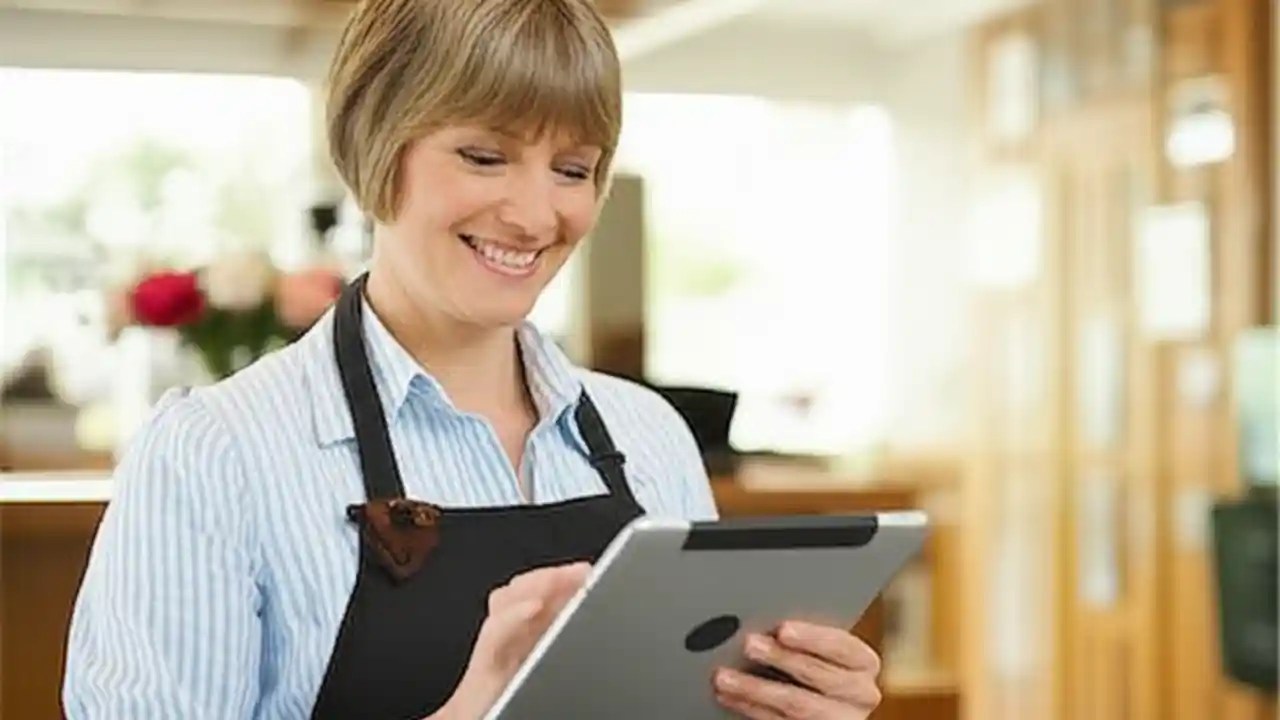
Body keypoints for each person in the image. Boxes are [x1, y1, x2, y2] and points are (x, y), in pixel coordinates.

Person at [61, 0, 883, 717]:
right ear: (377, 146)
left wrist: (782, 710)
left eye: (572, 169)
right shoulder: (217, 454)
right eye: (484, 156)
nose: (533, 215)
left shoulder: (650, 439)